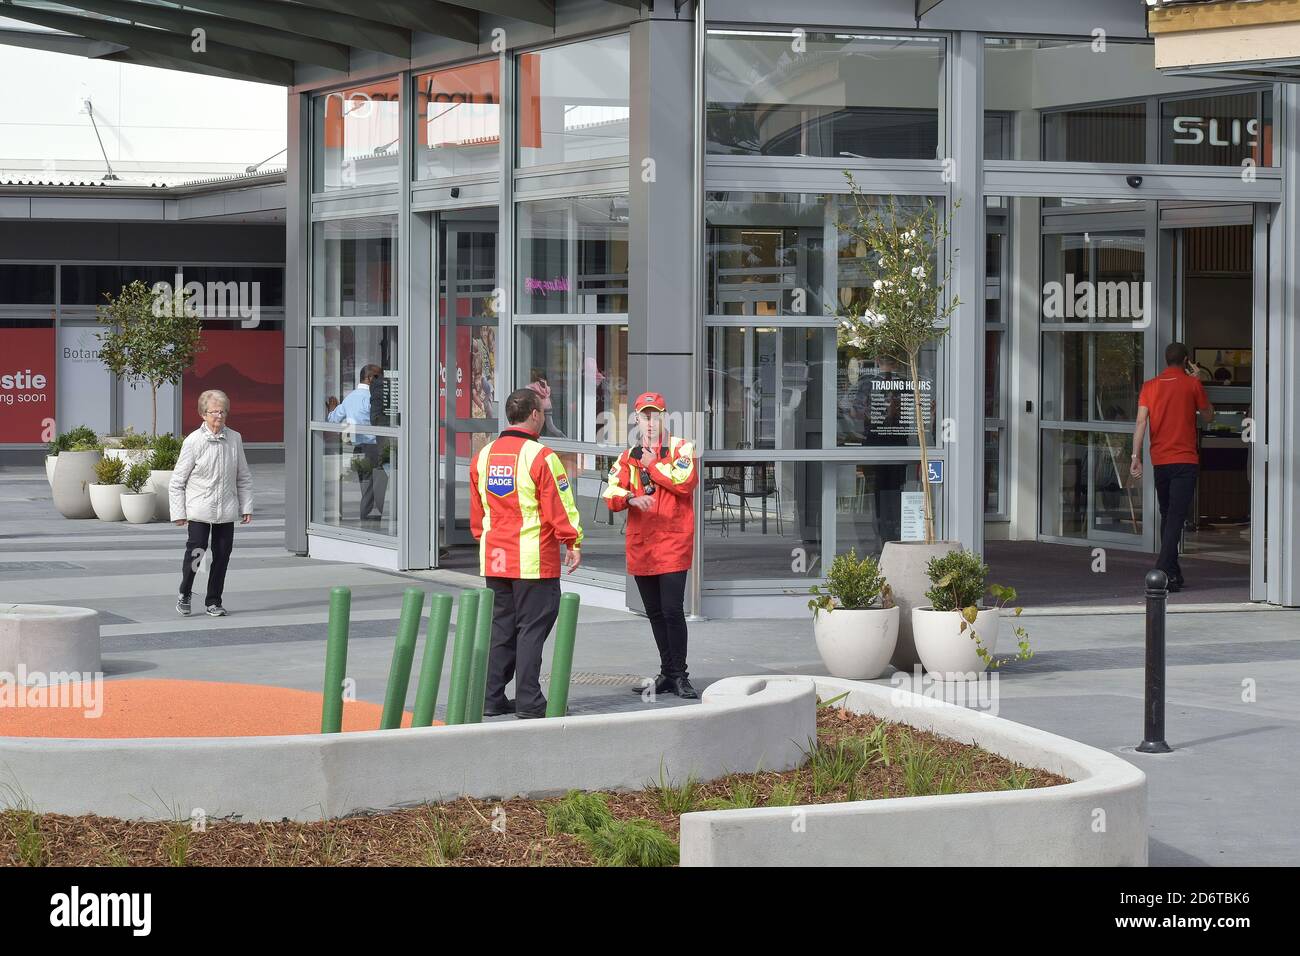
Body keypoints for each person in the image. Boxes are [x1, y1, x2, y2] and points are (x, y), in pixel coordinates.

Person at [470, 388, 583, 718]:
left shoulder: (484, 455)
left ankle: (491, 698)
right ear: (534, 414)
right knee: (532, 629)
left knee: (502, 628)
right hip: (533, 559)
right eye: (543, 413)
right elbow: (560, 506)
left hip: (495, 557)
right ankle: (530, 701)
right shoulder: (542, 457)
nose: (544, 418)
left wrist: (486, 540)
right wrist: (572, 542)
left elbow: (479, 513)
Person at [603, 392, 700, 699]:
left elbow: (684, 482)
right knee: (655, 613)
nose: (650, 422)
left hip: (672, 542)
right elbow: (612, 492)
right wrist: (631, 498)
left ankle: (680, 674)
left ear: (664, 416)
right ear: (636, 419)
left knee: (672, 611)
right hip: (642, 544)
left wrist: (653, 465)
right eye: (645, 416)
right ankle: (667, 672)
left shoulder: (683, 447)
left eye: (655, 415)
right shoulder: (626, 456)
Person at [1130, 342, 1214, 592]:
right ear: (1187, 360)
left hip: (1161, 462)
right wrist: (1198, 379)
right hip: (1185, 461)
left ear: (1166, 360)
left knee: (1168, 515)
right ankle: (1162, 569)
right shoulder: (1192, 384)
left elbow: (1140, 422)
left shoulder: (1150, 386)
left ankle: (1173, 574)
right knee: (1176, 517)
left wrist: (1135, 456)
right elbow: (1208, 416)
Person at [170, 389, 253, 617]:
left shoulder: (234, 438)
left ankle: (214, 601)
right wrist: (179, 512)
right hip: (199, 509)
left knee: (222, 555)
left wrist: (246, 506)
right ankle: (185, 592)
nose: (219, 416)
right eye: (214, 412)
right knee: (197, 552)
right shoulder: (193, 441)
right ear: (203, 414)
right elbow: (177, 481)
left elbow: (243, 476)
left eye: (223, 412)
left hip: (226, 509)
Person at [327, 363, 385, 520]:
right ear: (370, 378)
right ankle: (372, 521)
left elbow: (333, 420)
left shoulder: (350, 398)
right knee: (378, 491)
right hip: (375, 448)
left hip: (358, 449)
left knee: (367, 490)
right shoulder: (373, 398)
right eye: (380, 377)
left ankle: (368, 520)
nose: (383, 381)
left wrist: (332, 409)